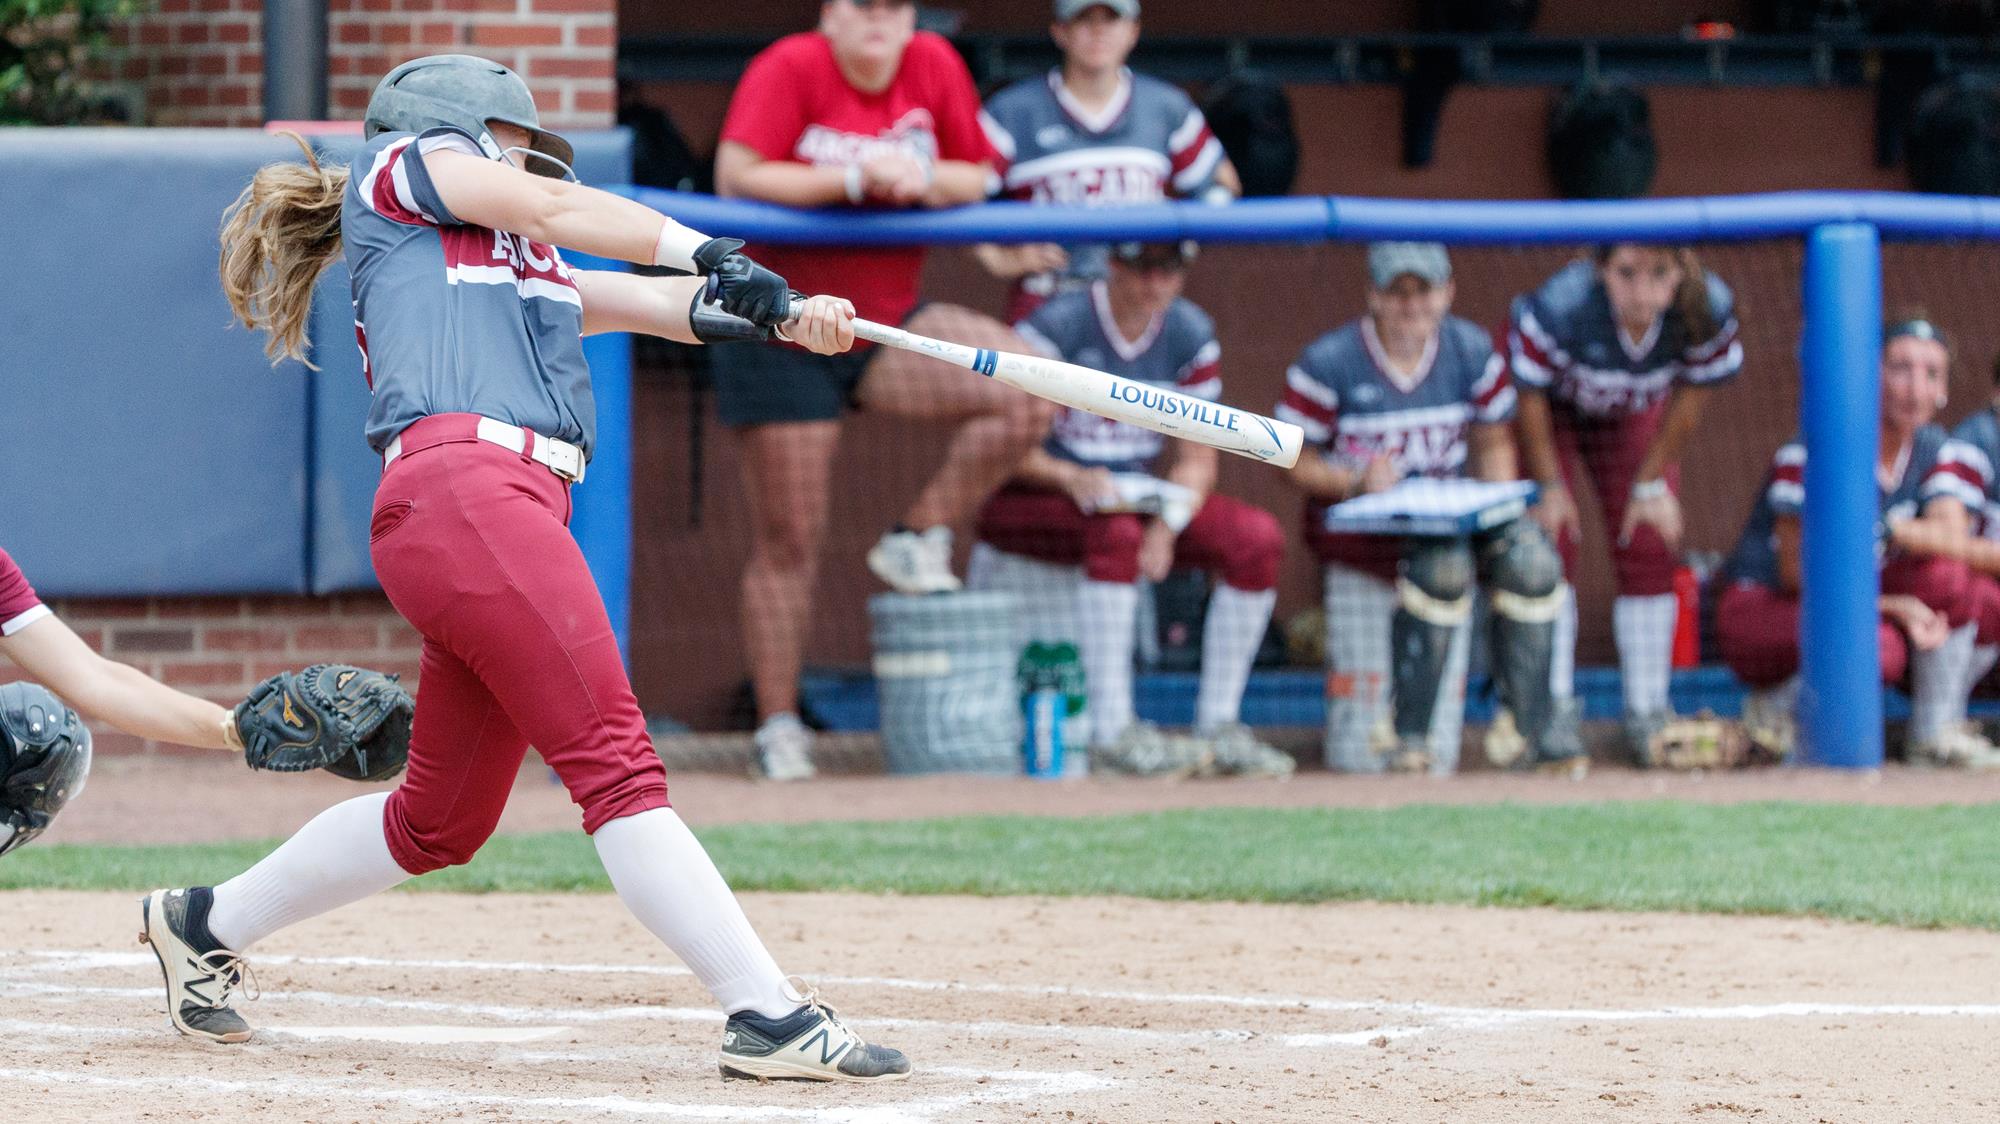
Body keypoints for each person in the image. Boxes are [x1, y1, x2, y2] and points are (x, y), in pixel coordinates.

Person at [141, 54, 910, 1083]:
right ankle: (765, 1013)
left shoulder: (522, 267)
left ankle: (203, 923)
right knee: (616, 765)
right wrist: (713, 250)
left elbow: (657, 303)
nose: (525, 165)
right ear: (458, 129)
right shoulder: (401, 168)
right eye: (510, 144)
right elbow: (560, 207)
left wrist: (787, 312)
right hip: (467, 493)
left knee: (440, 820)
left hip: (492, 513)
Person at [712, 0, 1055, 781]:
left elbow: (978, 174)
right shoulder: (791, 65)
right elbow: (738, 173)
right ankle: (778, 725)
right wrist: (855, 176)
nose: (879, 20)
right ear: (830, 15)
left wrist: (918, 176)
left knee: (1026, 390)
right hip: (782, 322)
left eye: (894, 7)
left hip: (881, 321)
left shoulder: (934, 63)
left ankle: (915, 534)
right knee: (791, 538)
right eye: (862, 5)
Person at [969, 241, 1292, 777]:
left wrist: (1168, 525)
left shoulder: (1190, 331)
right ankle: (1112, 732)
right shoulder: (1056, 324)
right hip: (1037, 495)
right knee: (1117, 532)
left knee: (1256, 538)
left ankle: (1219, 726)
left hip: (1135, 497)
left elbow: (1198, 459)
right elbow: (996, 445)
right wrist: (1069, 476)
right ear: (1114, 265)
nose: (1156, 283)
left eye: (1170, 270)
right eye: (1144, 268)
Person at [1281, 243, 1576, 776]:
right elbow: (1291, 460)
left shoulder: (1471, 349)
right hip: (1362, 537)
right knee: (1358, 755)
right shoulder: (1329, 361)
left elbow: (1494, 444)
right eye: (1398, 292)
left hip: (1443, 532)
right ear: (1374, 295)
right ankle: (1401, 738)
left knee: (1528, 559)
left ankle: (1528, 726)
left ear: (1448, 293)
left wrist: (1496, 511)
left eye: (1425, 291)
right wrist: (1352, 479)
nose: (1411, 305)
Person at [1715, 316, 1996, 767]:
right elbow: (1797, 575)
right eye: (1900, 368)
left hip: (1850, 601)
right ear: (1869, 374)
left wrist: (1892, 530)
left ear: (1944, 390)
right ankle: (1772, 713)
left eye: (1931, 374)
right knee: (1878, 647)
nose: (1915, 388)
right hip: (1764, 608)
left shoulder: (1933, 449)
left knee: (1955, 583)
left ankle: (1934, 735)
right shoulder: (1818, 448)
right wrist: (1892, 606)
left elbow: (1951, 539)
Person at [1508, 244, 1742, 765]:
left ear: (1681, 271)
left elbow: (1693, 395)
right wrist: (1549, 486)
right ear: (1600, 270)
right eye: (1626, 274)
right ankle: (1552, 712)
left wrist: (1650, 483)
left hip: (1632, 414)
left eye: (1659, 274)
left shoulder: (1705, 306)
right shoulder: (1562, 304)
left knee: (1651, 541)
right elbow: (1528, 395)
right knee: (1548, 544)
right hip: (1552, 414)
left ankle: (1648, 711)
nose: (1642, 292)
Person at [976, 0, 1239, 322]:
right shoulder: (1013, 111)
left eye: (1111, 19)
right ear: (1060, 31)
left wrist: (1179, 247)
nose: (1098, 31)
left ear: (1133, 31)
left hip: (1136, 308)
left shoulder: (1166, 107)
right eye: (1084, 19)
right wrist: (998, 258)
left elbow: (1221, 185)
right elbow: (960, 190)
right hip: (1047, 302)